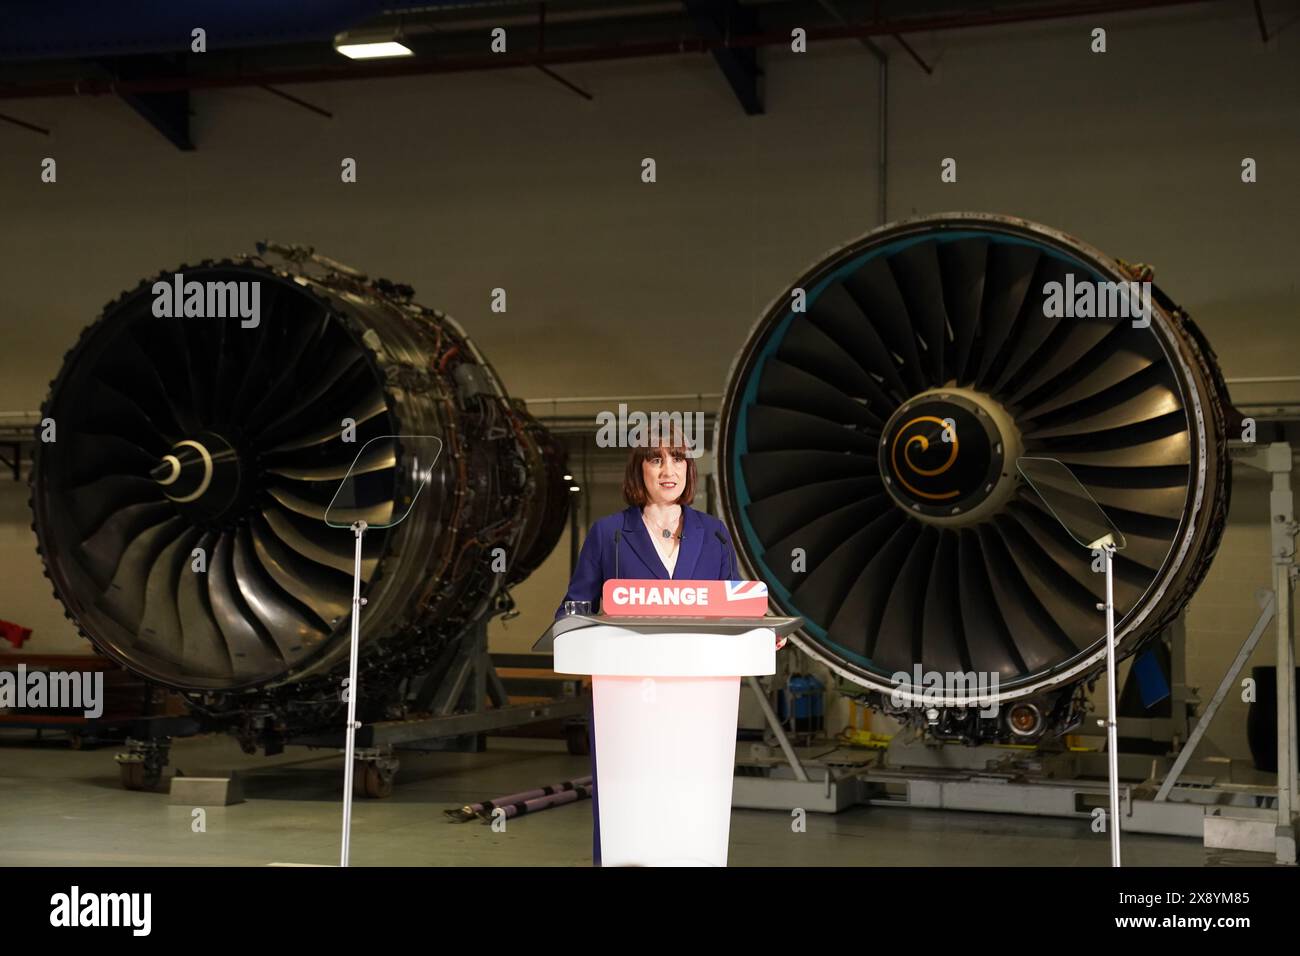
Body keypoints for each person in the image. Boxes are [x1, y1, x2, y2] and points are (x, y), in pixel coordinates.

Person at [555, 433, 740, 865]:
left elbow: (736, 603)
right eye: (655, 460)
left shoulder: (713, 533)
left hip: (698, 699)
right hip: (626, 704)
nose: (667, 469)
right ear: (639, 470)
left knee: (689, 801)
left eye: (677, 459)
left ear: (689, 470)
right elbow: (576, 604)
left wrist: (764, 630)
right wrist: (576, 630)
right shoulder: (609, 534)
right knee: (629, 806)